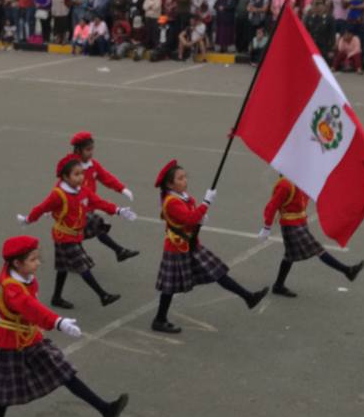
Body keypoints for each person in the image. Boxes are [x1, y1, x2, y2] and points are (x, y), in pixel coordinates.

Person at [0, 235, 129, 417]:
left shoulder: (27, 280)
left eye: (38, 258)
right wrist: (57, 322)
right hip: (11, 344)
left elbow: (31, 307)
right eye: (33, 259)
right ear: (17, 263)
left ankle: (105, 409)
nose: (38, 263)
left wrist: (43, 323)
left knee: (64, 372)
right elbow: (30, 307)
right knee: (4, 391)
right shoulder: (12, 288)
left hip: (31, 338)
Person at [151, 160, 269, 334]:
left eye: (185, 177)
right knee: (170, 287)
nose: (185, 180)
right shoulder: (171, 202)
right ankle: (159, 320)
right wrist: (206, 203)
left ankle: (248, 297)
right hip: (177, 249)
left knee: (217, 272)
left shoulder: (182, 197)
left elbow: (192, 217)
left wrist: (200, 216)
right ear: (169, 184)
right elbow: (189, 219)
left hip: (191, 244)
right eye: (180, 178)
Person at [18, 156, 137, 309]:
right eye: (76, 174)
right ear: (65, 177)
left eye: (81, 173)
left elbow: (98, 202)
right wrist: (28, 219)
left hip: (76, 234)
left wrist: (118, 210)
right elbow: (41, 208)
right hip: (64, 237)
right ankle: (103, 295)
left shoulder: (83, 190)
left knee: (63, 268)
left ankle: (56, 297)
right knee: (83, 266)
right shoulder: (58, 194)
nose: (81, 177)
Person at [259, 176, 364, 297]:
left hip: (300, 222)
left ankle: (278, 285)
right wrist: (266, 227)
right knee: (317, 249)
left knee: (289, 256)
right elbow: (272, 206)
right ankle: (347, 270)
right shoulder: (284, 185)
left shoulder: (299, 181)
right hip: (291, 225)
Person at [65, 132, 139, 264]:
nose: (91, 153)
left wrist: (122, 189)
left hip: (88, 206)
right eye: (88, 150)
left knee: (85, 232)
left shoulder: (92, 165)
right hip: (75, 208)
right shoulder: (71, 168)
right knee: (95, 228)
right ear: (78, 150)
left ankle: (75, 256)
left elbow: (105, 177)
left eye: (92, 149)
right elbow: (61, 186)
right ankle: (119, 251)